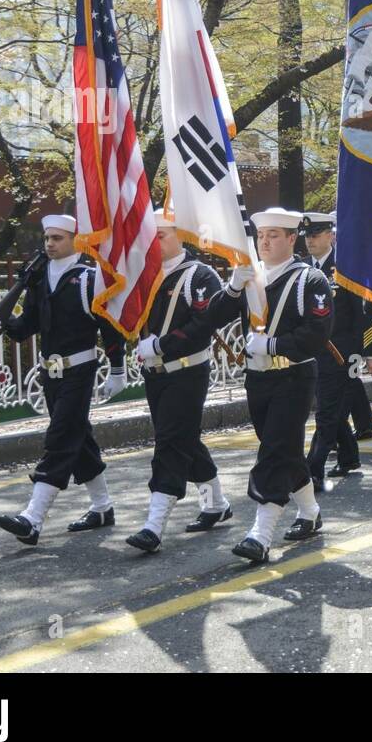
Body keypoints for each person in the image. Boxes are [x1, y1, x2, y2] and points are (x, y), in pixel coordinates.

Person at [0, 215, 128, 545]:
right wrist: (1, 323)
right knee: (79, 439)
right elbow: (28, 326)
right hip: (50, 373)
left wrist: (118, 369)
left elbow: (110, 328)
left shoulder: (89, 279)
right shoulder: (39, 278)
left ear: (77, 241)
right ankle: (103, 507)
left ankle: (32, 518)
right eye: (47, 237)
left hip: (80, 370)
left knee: (61, 437)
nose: (50, 243)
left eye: (58, 238)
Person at [208, 208, 334, 563]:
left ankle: (260, 535)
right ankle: (309, 513)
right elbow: (212, 319)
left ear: (292, 239)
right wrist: (232, 289)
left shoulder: (310, 280)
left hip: (293, 375)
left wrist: (275, 345)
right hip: (258, 377)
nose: (265, 241)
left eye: (274, 235)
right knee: (285, 450)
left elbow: (317, 334)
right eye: (261, 236)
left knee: (274, 451)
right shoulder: (251, 277)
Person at [124, 210, 231, 553]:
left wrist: (162, 344)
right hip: (155, 374)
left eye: (162, 236)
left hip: (186, 371)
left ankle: (154, 525)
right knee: (182, 437)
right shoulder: (146, 275)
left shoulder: (201, 275)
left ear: (181, 235)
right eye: (150, 237)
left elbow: (204, 324)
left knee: (169, 441)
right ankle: (216, 503)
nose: (155, 243)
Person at [303, 211, 372, 491]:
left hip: (342, 352)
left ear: (331, 236)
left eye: (315, 235)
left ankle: (311, 469)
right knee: (332, 407)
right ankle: (348, 456)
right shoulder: (304, 269)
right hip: (314, 352)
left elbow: (365, 313)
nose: (310, 241)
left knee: (327, 412)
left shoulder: (348, 267)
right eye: (307, 236)